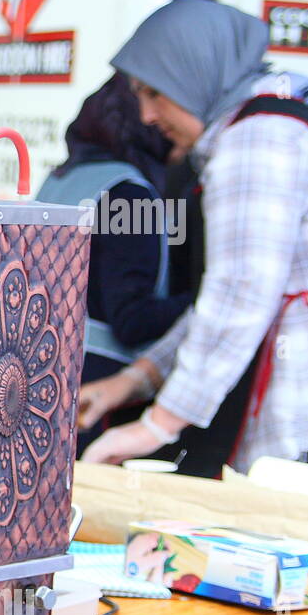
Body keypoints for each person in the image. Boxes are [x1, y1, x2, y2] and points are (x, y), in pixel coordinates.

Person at [79, 0, 308, 471]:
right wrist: (135, 380)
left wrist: (156, 425)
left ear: (192, 72)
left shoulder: (259, 137)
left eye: (154, 92)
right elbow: (223, 303)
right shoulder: (279, 117)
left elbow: (240, 294)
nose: (147, 115)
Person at [37, 74, 190, 452]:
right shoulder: (129, 195)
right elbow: (131, 319)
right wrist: (200, 304)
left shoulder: (59, 180)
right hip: (95, 391)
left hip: (39, 373)